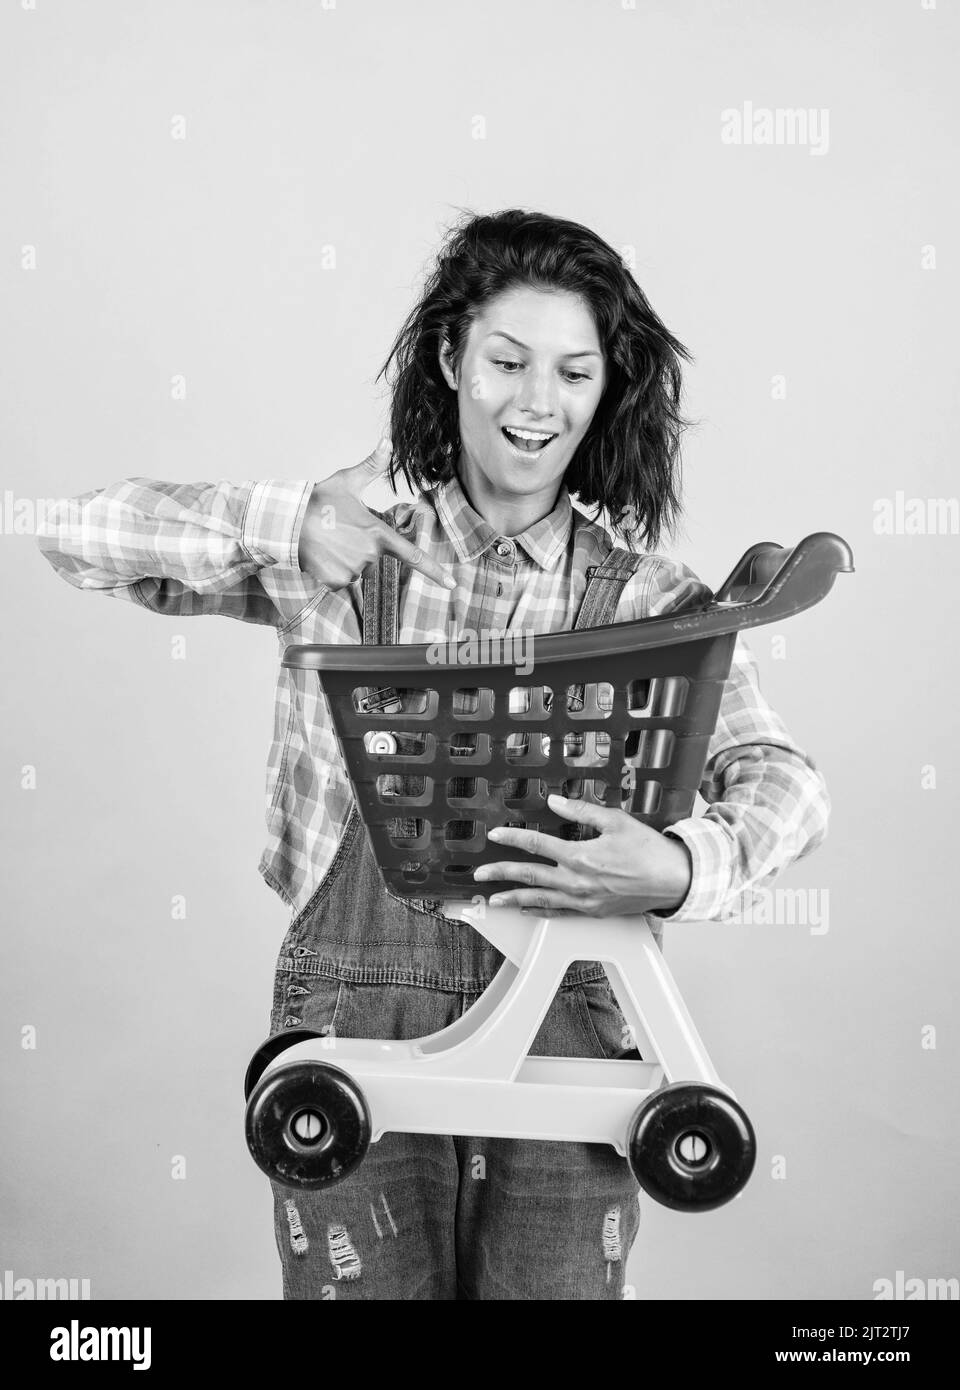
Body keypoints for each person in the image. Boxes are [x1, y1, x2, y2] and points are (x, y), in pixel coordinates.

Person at [37, 207, 830, 1300]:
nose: (535, 401)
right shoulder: (346, 555)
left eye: (573, 371)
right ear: (453, 358)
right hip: (356, 1028)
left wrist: (687, 863)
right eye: (506, 360)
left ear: (608, 393)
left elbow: (785, 781)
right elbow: (76, 535)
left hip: (575, 1036)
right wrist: (284, 524)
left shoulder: (652, 601)